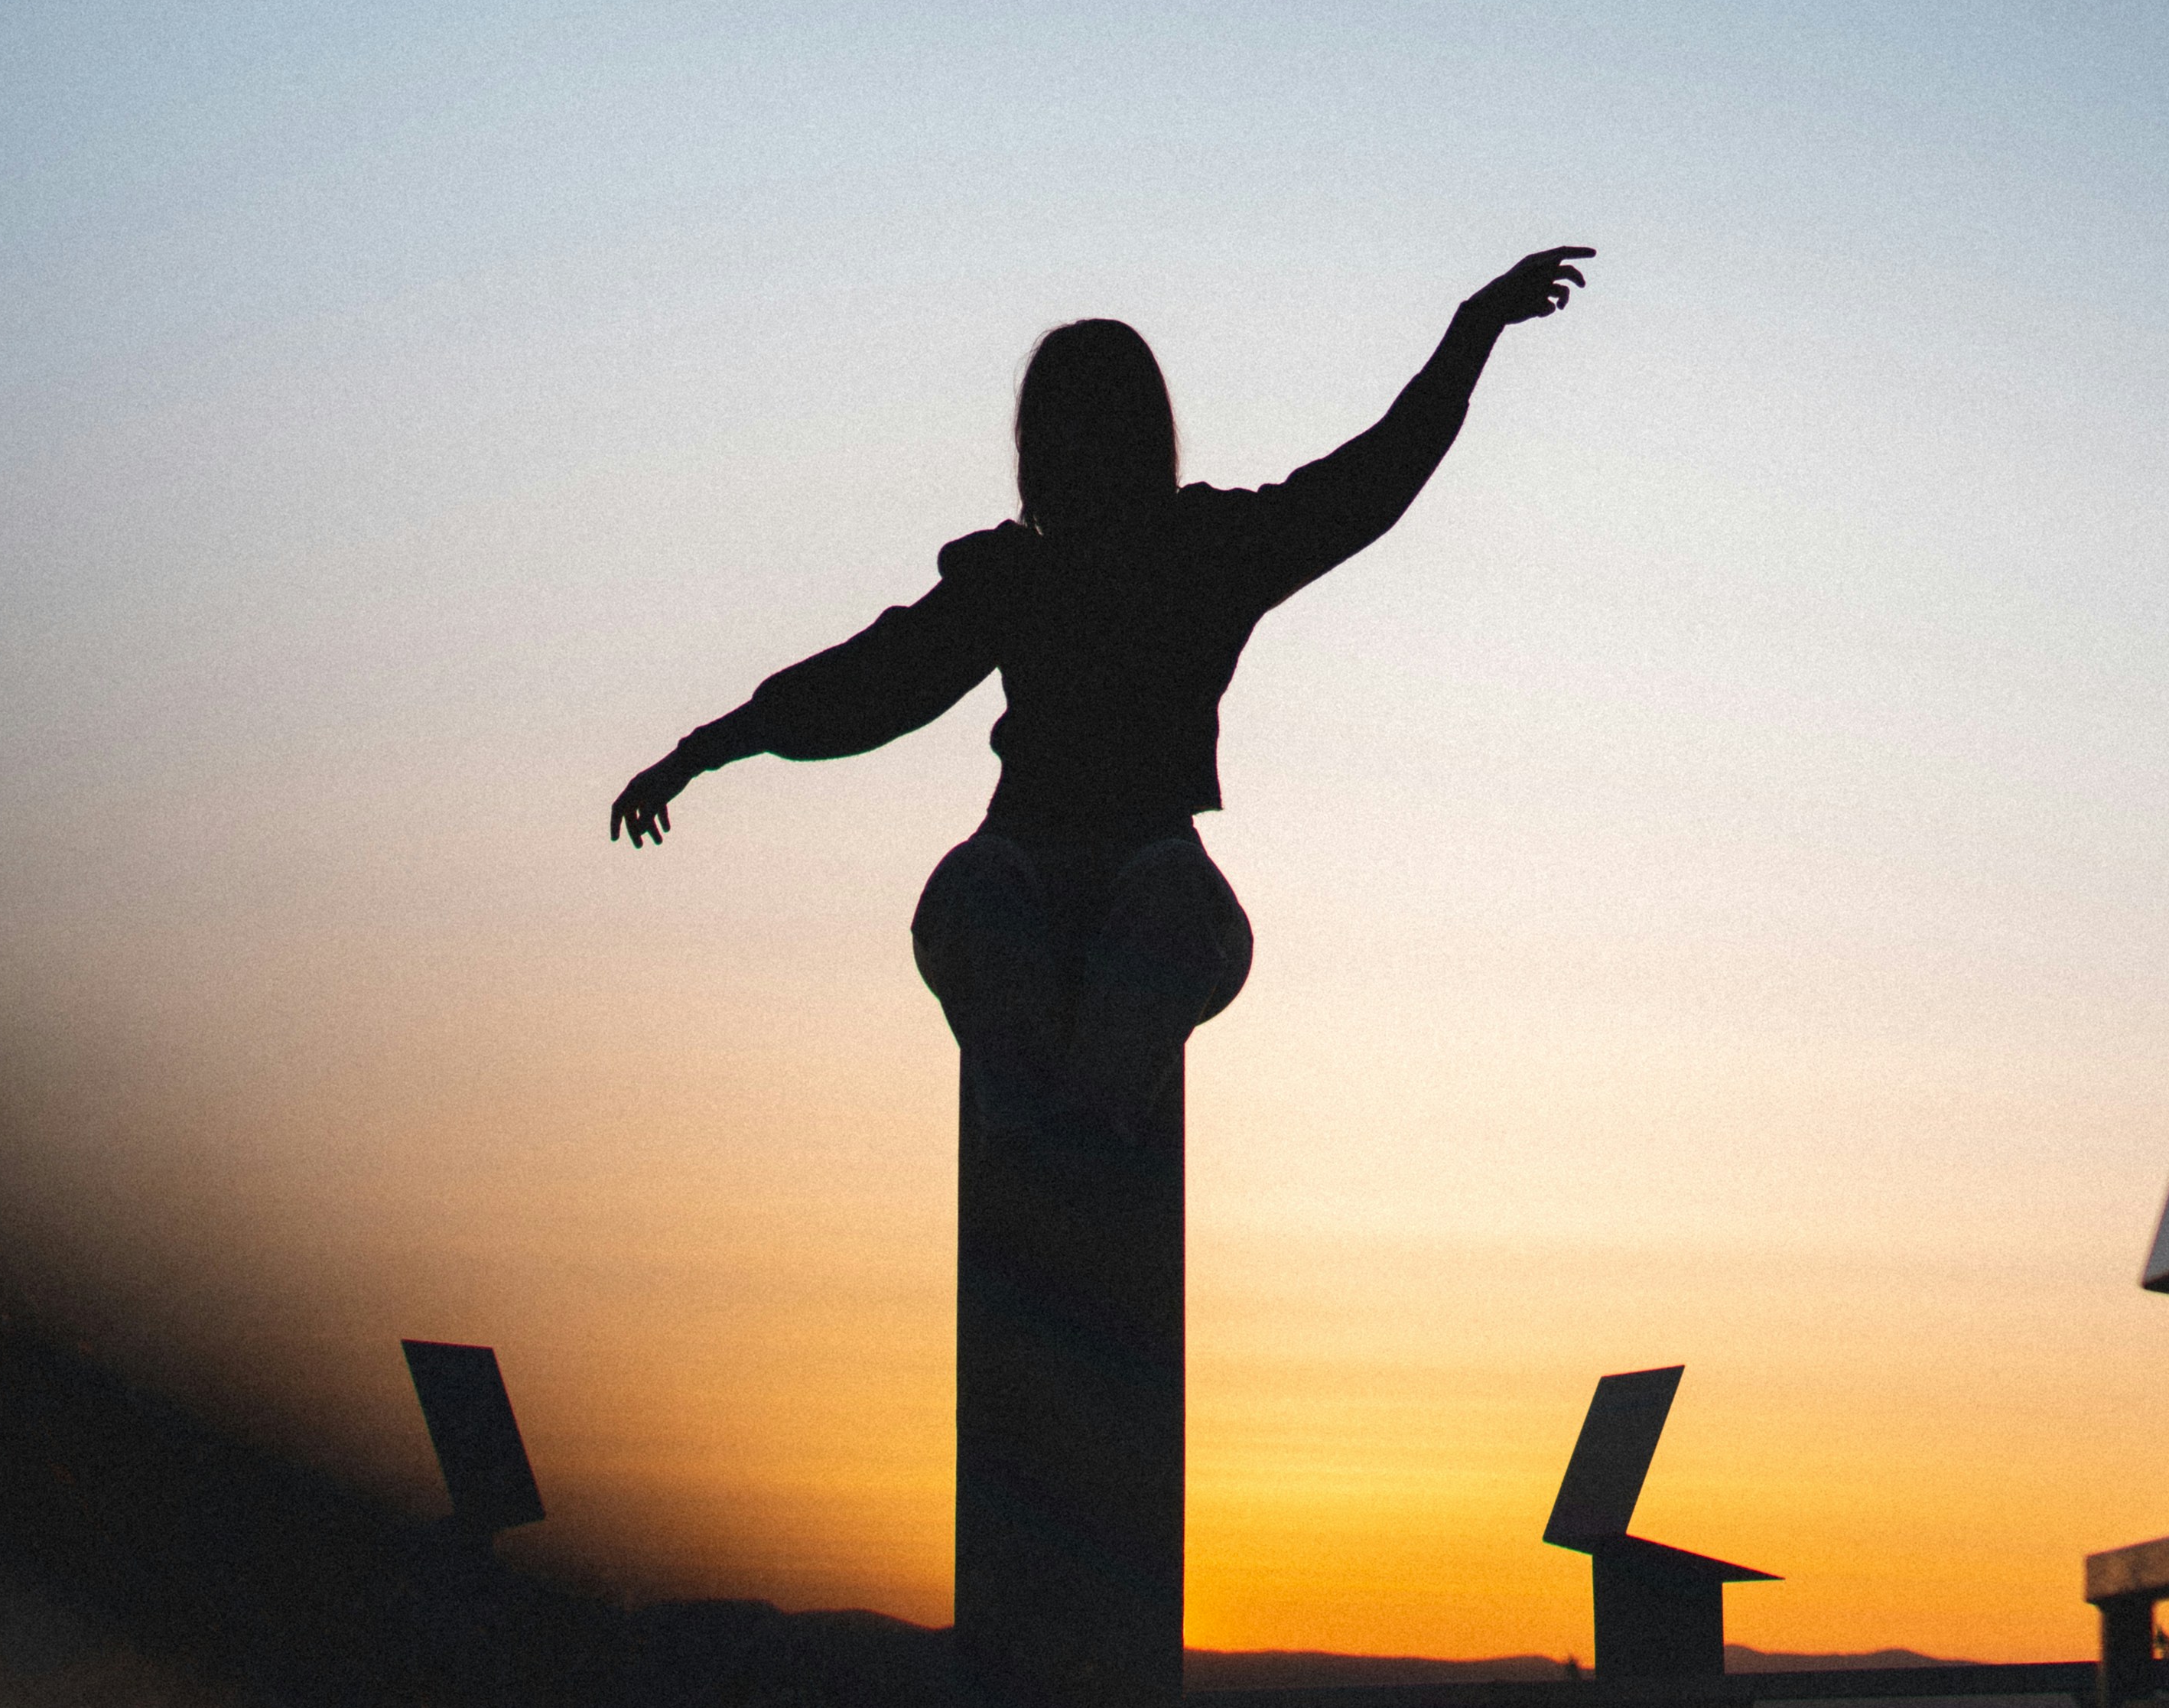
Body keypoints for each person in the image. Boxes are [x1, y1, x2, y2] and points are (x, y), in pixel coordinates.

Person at [612, 249, 1592, 1137]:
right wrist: (702, 749)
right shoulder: (1020, 578)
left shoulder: (1202, 552)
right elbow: (866, 683)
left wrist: (1472, 332)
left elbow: (1367, 481)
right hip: (1023, 870)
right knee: (981, 893)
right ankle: (1044, 1154)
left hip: (1156, 877)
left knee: (1155, 900)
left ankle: (1077, 1153)